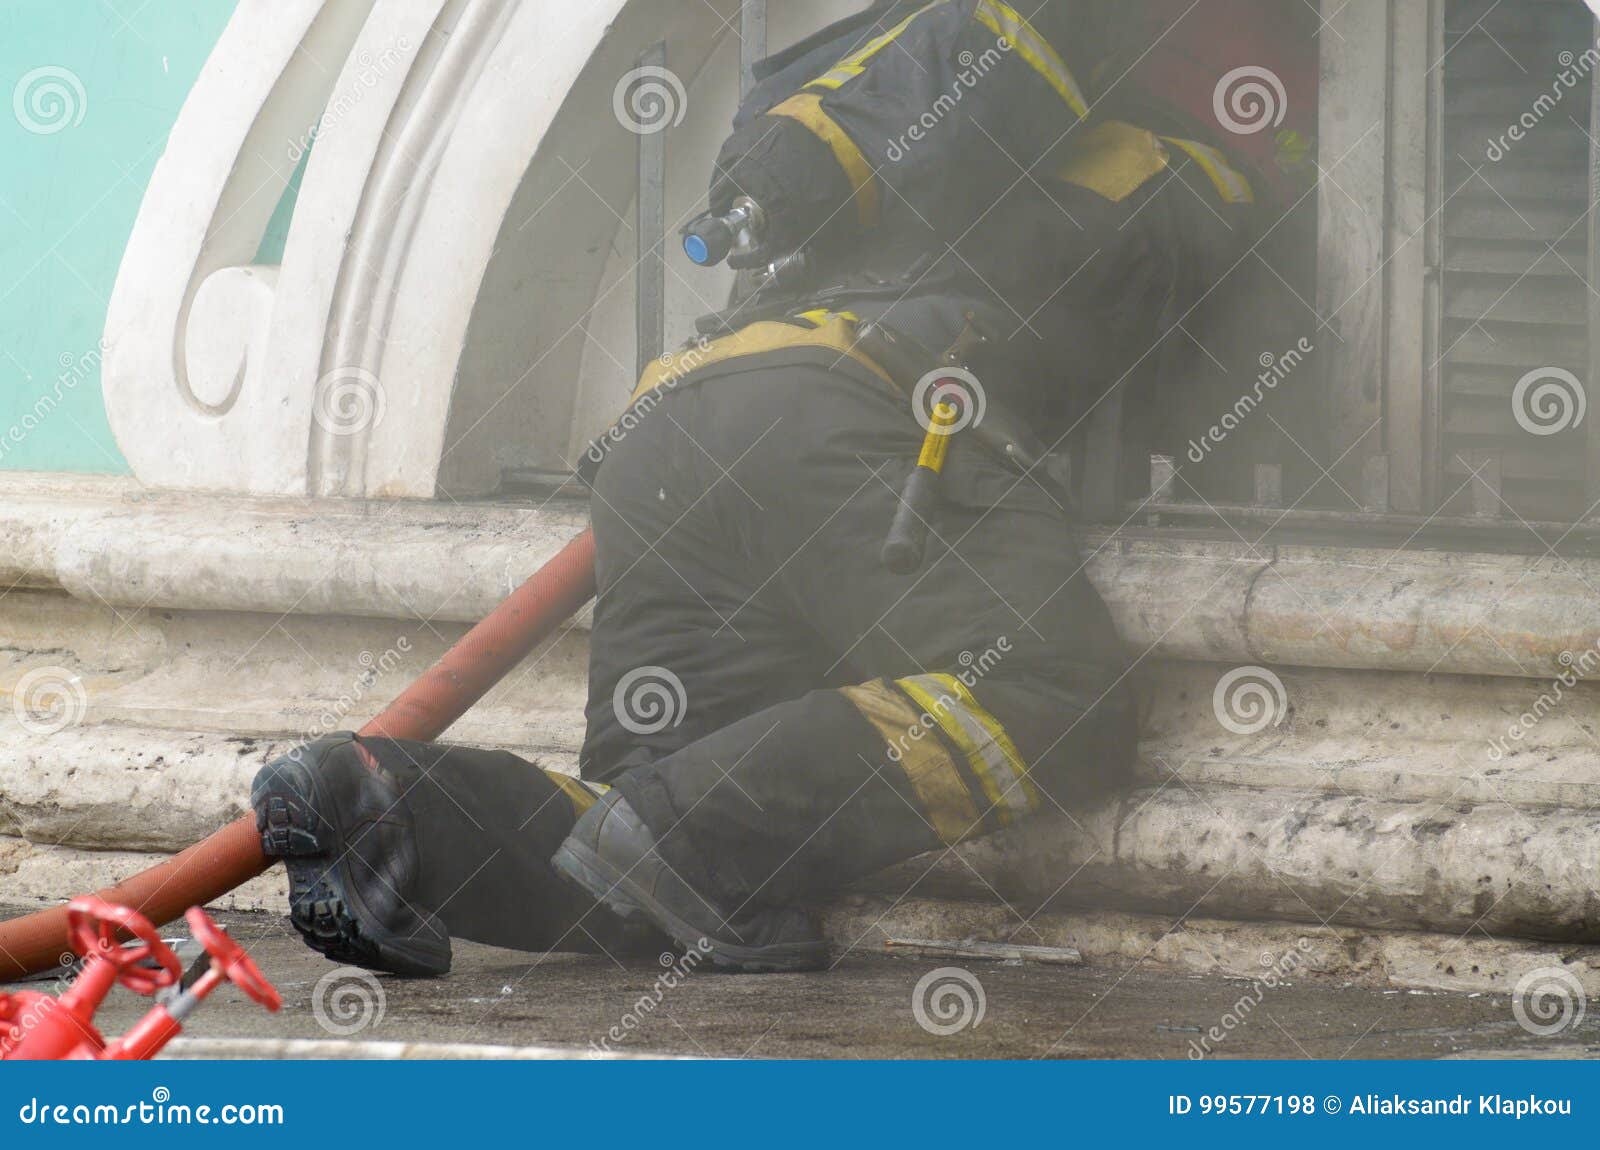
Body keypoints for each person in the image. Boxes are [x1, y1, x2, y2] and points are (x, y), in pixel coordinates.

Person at [251, 0, 1315, 976]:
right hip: (846, 415)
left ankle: (383, 801)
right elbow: (1233, 372)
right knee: (1054, 688)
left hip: (667, 426)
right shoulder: (1188, 166)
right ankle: (691, 829)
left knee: (619, 860)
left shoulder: (925, 131)